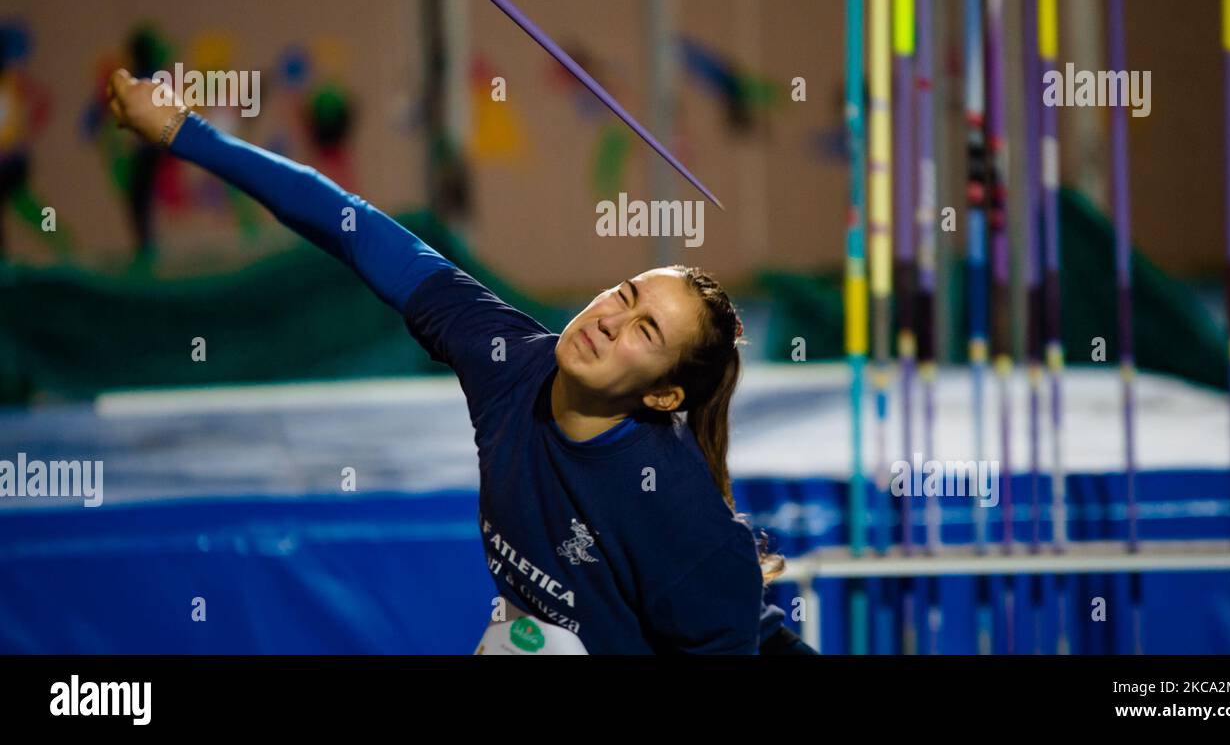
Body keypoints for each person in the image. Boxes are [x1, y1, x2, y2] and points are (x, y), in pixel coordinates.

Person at [106, 69, 817, 655]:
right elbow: (353, 226)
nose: (609, 320)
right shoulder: (506, 358)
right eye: (623, 294)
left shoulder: (677, 513)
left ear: (663, 395)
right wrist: (180, 129)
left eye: (645, 330)